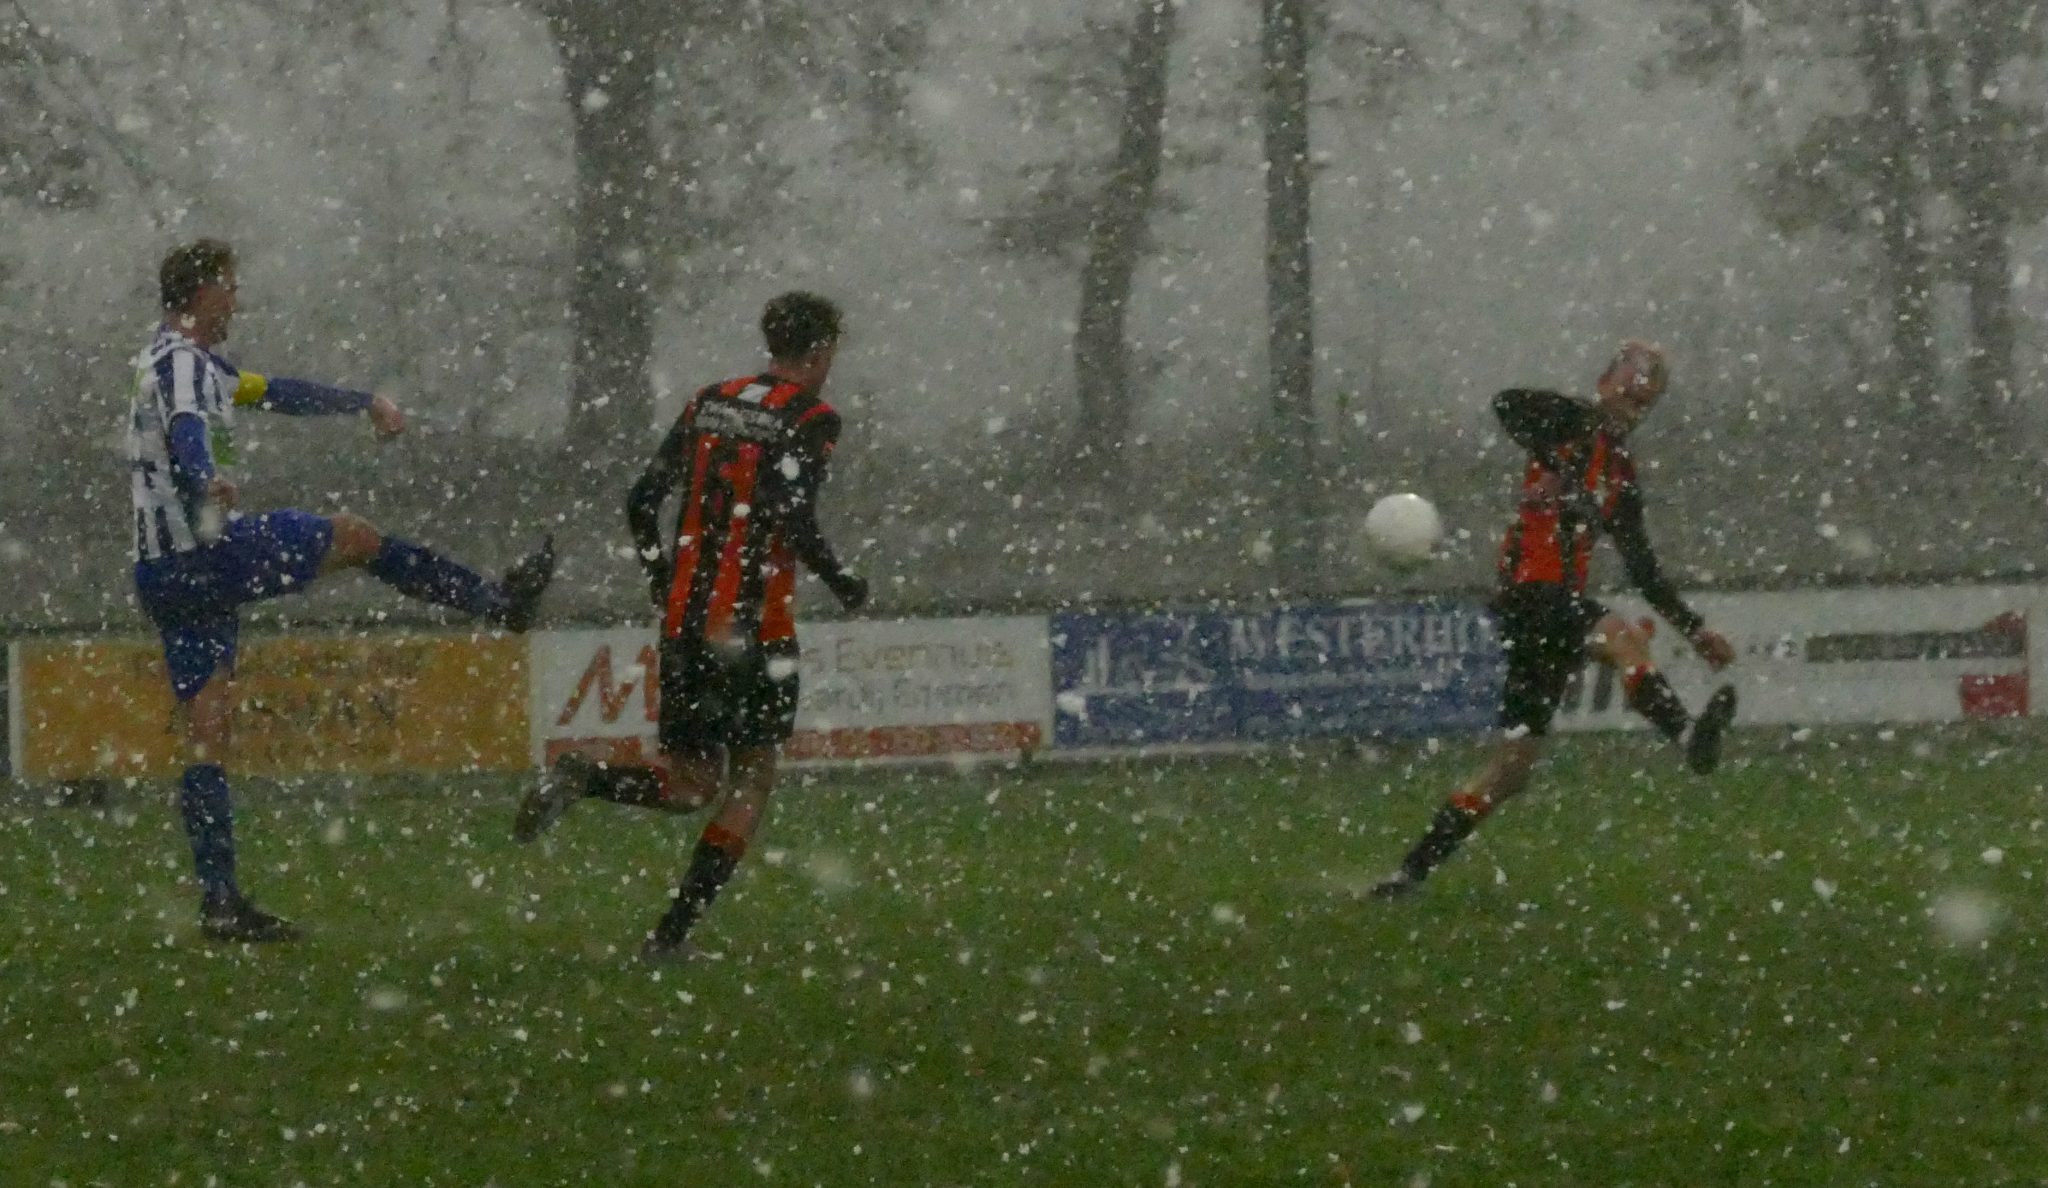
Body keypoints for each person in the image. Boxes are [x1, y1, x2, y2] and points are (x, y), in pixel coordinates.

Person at [130, 238, 556, 942]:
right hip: (206, 554)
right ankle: (496, 603)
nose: (238, 299)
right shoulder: (180, 364)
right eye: (230, 288)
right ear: (203, 293)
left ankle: (221, 903)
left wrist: (360, 401)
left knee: (207, 733)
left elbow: (274, 392)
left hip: (165, 574)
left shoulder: (183, 362)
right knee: (355, 536)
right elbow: (183, 427)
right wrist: (207, 476)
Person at [513, 291, 868, 961]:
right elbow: (793, 516)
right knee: (751, 778)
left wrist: (659, 571)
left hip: (684, 623)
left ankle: (587, 780)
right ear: (820, 352)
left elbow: (642, 498)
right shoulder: (813, 418)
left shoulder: (712, 400)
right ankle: (669, 938)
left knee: (688, 784)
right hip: (752, 627)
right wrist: (844, 581)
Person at [1372, 341, 1738, 898]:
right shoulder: (1563, 427)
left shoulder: (1619, 477)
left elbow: (1643, 567)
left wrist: (1694, 627)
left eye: (1642, 406)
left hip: (1550, 612)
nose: (1628, 410)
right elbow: (1506, 406)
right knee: (1619, 635)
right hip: (1529, 598)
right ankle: (1686, 736)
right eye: (1624, 394)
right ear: (1603, 383)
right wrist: (1568, 430)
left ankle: (1408, 873)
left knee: (1511, 770)